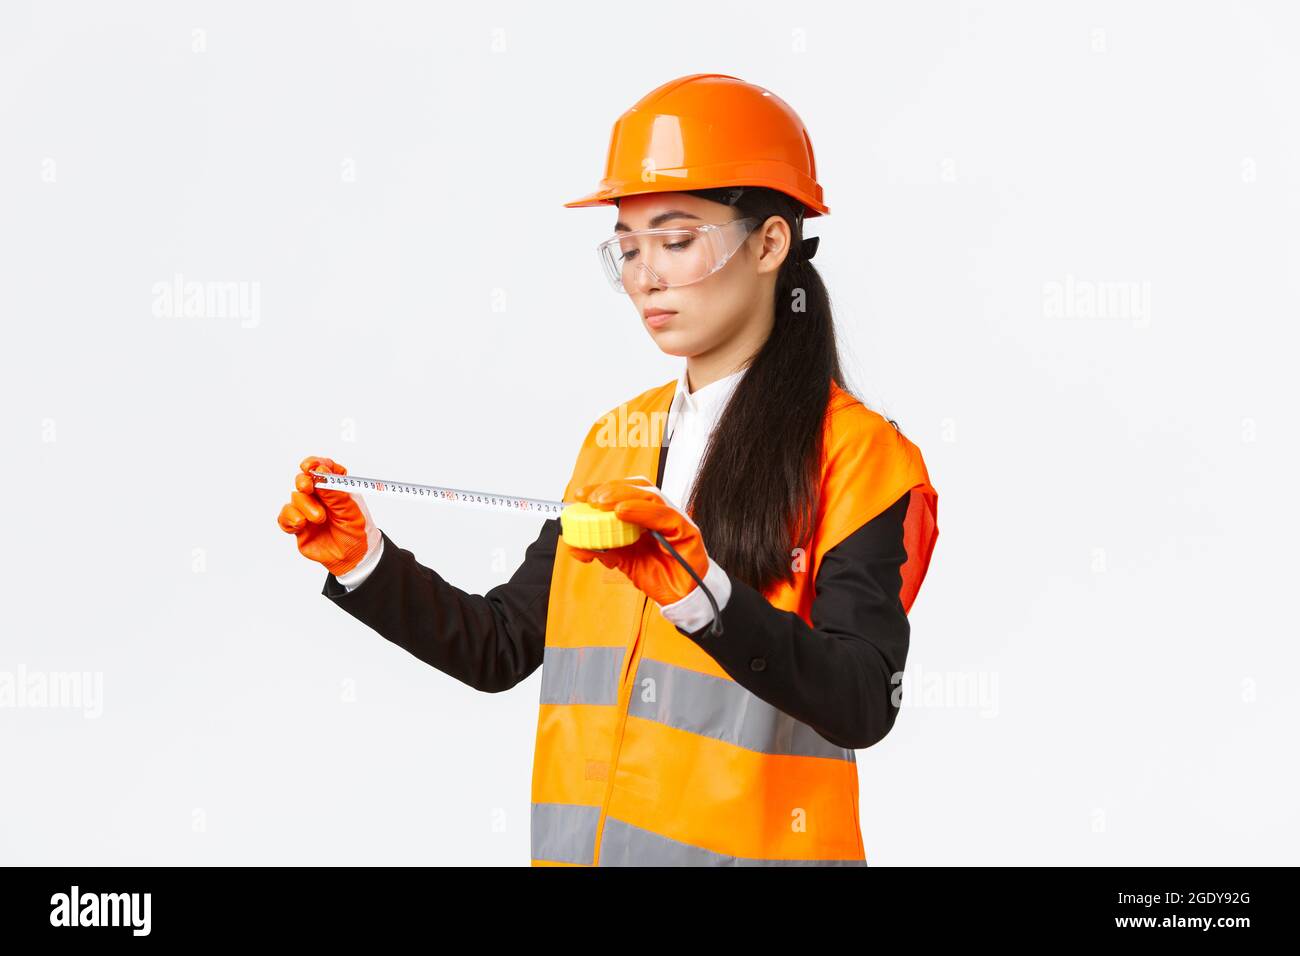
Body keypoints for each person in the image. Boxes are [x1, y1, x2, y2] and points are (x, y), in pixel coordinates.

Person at [277, 73, 939, 866]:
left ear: (770, 244)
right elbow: (502, 646)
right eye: (627, 248)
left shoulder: (861, 457)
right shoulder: (616, 442)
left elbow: (863, 700)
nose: (645, 277)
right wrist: (364, 562)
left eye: (677, 239)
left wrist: (707, 597)